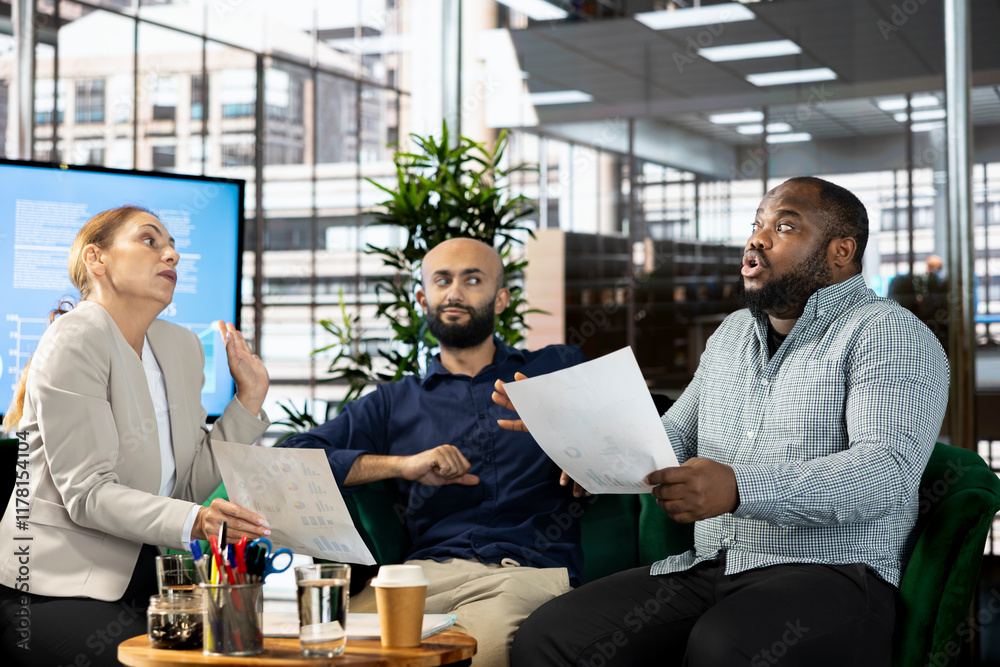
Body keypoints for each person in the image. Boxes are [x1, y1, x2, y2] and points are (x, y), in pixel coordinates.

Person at [497, 177, 949, 666]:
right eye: (757, 224)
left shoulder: (889, 333)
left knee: (723, 644)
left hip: (836, 575)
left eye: (785, 226)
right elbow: (674, 434)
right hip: (714, 567)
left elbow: (884, 473)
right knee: (549, 635)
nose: (757, 238)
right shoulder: (732, 334)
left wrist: (739, 488)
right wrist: (583, 441)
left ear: (841, 251)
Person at [280, 237, 587, 667]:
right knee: (327, 654)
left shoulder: (554, 369)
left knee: (480, 656)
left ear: (501, 299)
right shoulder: (393, 402)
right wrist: (403, 465)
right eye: (442, 281)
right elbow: (294, 455)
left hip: (522, 571)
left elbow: (645, 420)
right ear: (424, 298)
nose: (455, 293)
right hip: (419, 577)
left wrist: (588, 454)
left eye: (472, 280)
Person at [0, 206, 272, 666]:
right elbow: (87, 493)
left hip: (155, 582)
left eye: (172, 246)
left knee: (248, 651)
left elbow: (185, 489)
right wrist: (198, 521)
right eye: (150, 241)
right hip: (55, 589)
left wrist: (249, 398)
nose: (172, 254)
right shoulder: (75, 337)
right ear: (97, 259)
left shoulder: (181, 348)